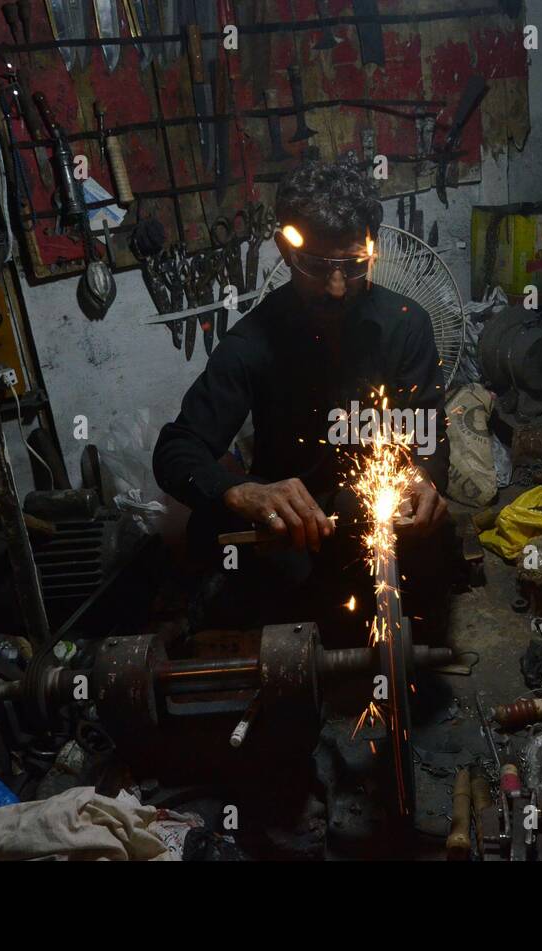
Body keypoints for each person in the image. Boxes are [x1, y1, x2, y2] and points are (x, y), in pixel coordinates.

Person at [154, 159, 451, 642]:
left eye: (353, 266)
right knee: (217, 547)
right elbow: (175, 450)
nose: (336, 287)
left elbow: (429, 434)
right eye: (316, 266)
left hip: (377, 522)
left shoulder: (407, 326)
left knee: (432, 556)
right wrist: (243, 491)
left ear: (373, 250)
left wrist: (424, 477)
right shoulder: (252, 342)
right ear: (285, 249)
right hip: (293, 530)